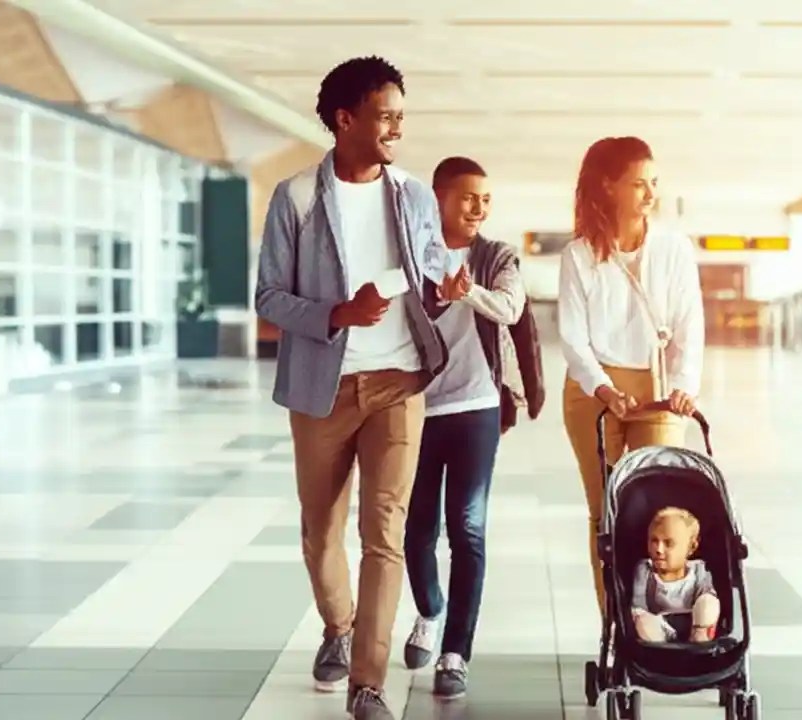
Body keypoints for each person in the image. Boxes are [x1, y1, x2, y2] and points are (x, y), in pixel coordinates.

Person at [254, 56, 467, 720]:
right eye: (385, 115)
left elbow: (432, 270)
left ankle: (368, 684)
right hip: (323, 387)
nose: (398, 127)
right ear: (345, 120)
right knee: (321, 531)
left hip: (398, 384)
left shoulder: (413, 195)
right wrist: (339, 314)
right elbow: (268, 297)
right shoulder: (296, 198)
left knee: (385, 532)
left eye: (401, 115)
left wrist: (447, 286)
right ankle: (338, 627)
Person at [400, 157, 545, 700]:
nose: (478, 208)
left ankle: (456, 652)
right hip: (417, 407)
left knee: (468, 527)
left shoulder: (496, 256)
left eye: (485, 199)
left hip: (477, 406)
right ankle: (429, 610)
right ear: (437, 198)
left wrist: (466, 293)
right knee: (417, 528)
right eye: (467, 197)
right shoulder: (412, 254)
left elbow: (509, 308)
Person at [557, 136, 705, 618]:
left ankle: (655, 621)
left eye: (654, 183)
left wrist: (684, 385)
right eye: (639, 184)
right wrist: (603, 388)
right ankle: (616, 623)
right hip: (592, 391)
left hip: (657, 389)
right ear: (608, 186)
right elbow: (573, 337)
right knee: (604, 511)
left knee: (657, 509)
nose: (650, 194)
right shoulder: (579, 255)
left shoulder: (674, 249)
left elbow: (690, 323)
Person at [631, 507, 720, 643]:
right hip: (660, 627)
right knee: (642, 620)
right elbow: (639, 606)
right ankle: (662, 649)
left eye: (668, 543)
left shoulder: (698, 569)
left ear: (691, 547)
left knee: (709, 601)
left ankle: (699, 638)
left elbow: (706, 596)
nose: (659, 549)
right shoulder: (645, 570)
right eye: (654, 541)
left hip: (694, 622)